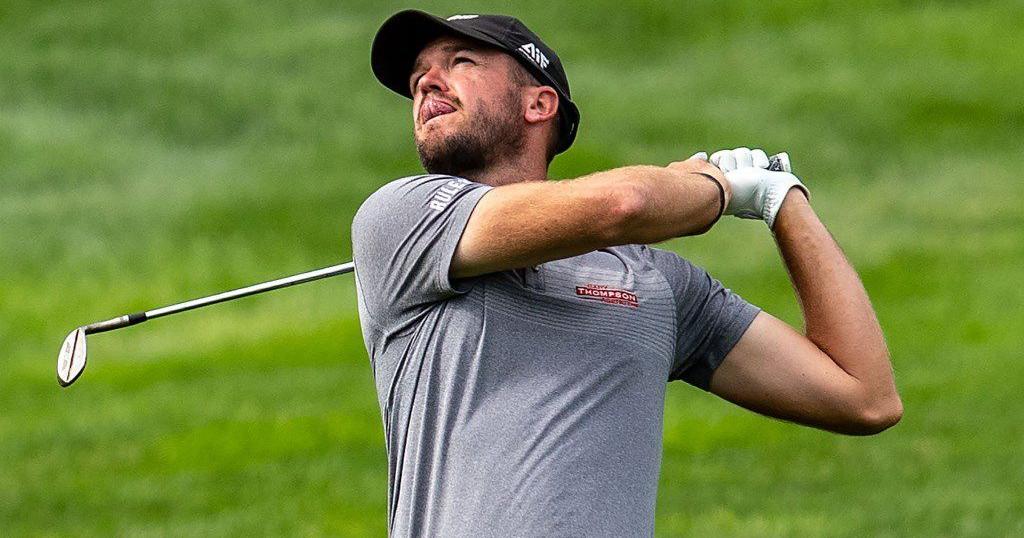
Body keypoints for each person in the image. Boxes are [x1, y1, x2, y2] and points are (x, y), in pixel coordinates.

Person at [352, 10, 901, 537]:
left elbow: (865, 397)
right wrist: (718, 187)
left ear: (539, 103)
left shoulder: (656, 284)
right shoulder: (399, 220)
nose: (427, 83)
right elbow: (626, 204)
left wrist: (784, 201)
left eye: (461, 62)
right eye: (419, 77)